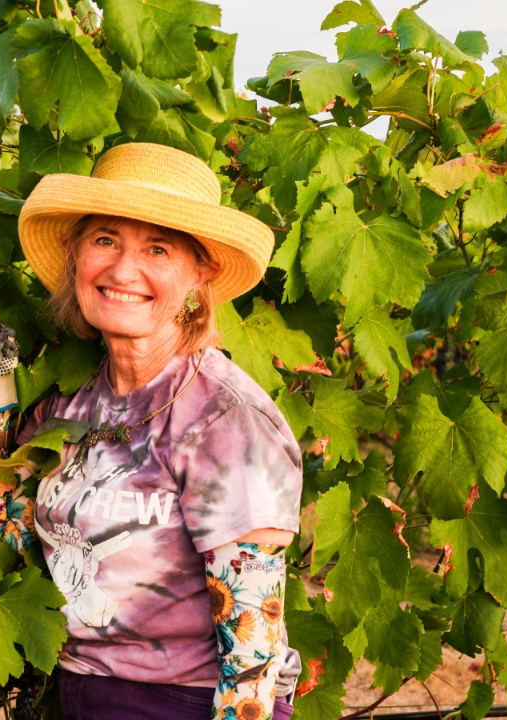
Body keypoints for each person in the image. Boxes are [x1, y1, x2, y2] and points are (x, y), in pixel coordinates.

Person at [15, 143, 302, 720]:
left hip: (181, 704)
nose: (123, 270)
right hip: (78, 695)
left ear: (202, 274)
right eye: (105, 240)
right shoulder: (70, 402)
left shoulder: (225, 422)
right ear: (75, 256)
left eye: (158, 249)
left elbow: (252, 653)